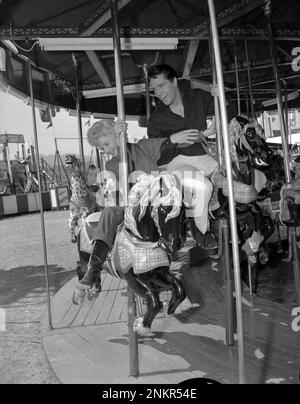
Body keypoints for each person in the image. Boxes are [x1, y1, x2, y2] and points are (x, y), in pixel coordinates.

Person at [73, 119, 178, 301]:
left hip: (155, 206)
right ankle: (93, 271)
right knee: (107, 214)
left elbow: (168, 145)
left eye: (106, 144)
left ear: (116, 136)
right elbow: (121, 187)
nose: (104, 150)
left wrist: (179, 137)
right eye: (101, 148)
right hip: (131, 206)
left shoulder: (144, 147)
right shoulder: (112, 165)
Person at [147, 64, 236, 248]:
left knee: (233, 174)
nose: (158, 93)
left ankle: (227, 217)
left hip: (203, 155)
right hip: (176, 163)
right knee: (203, 187)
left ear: (174, 81)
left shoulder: (198, 97)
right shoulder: (156, 119)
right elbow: (155, 155)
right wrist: (172, 140)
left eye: (161, 85)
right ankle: (201, 232)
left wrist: (222, 98)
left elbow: (230, 114)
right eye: (154, 89)